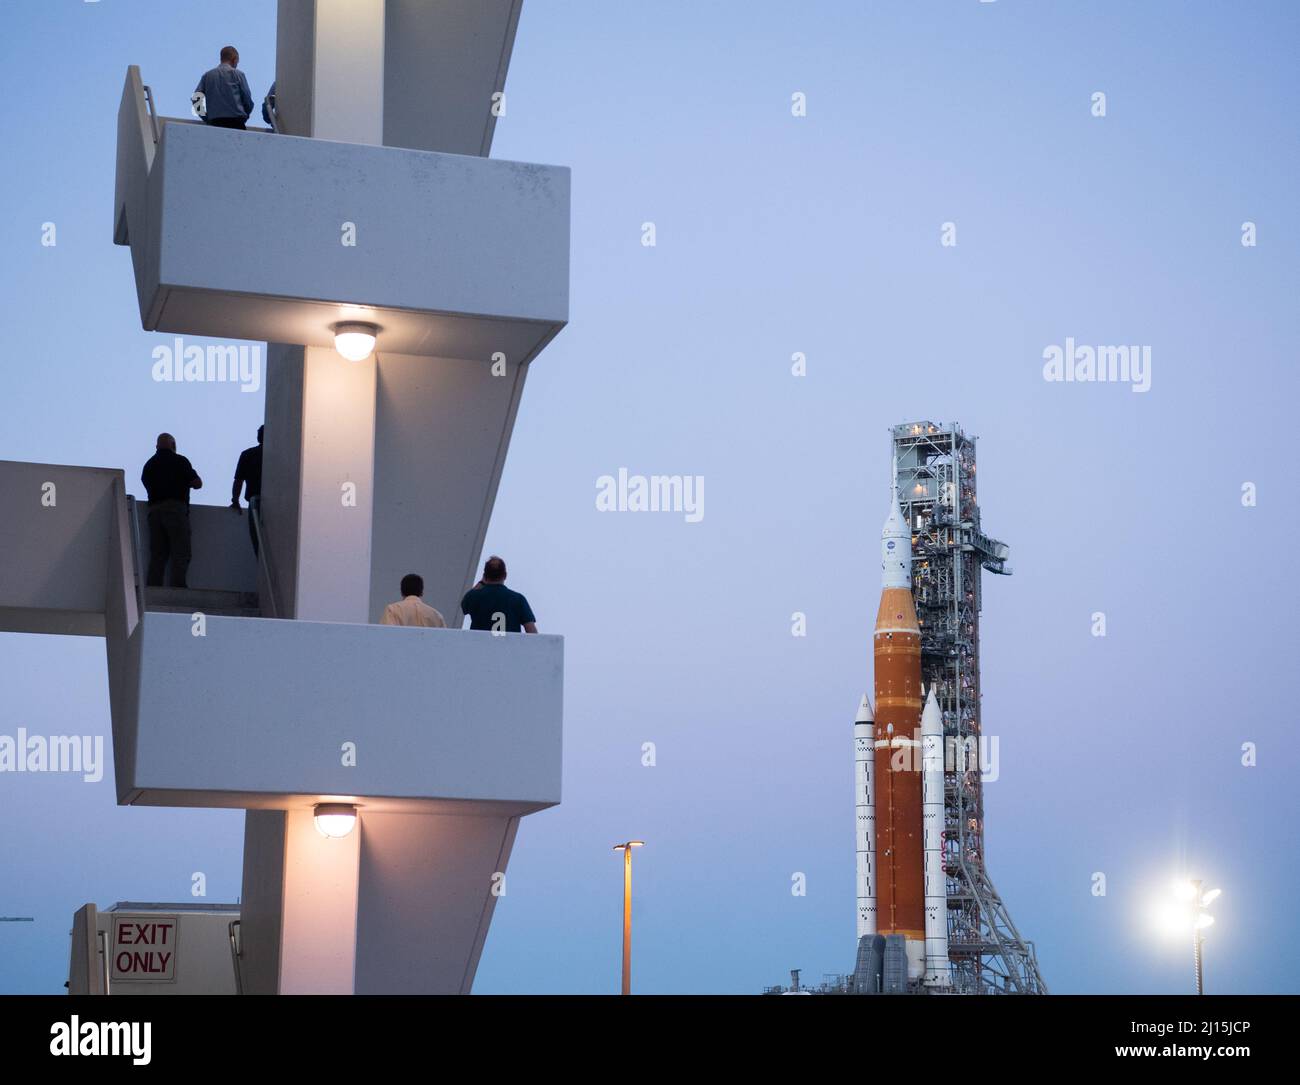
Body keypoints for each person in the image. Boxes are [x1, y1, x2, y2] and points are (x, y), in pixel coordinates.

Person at [141, 433, 202, 588]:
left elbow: (146, 482)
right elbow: (197, 483)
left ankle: (153, 588)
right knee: (181, 551)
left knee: (158, 554)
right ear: (173, 445)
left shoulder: (149, 465)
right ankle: (178, 587)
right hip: (175, 509)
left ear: (156, 446)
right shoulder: (180, 461)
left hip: (154, 511)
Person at [460, 556, 537, 633]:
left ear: (485, 576)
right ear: (505, 575)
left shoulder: (473, 596)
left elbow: (464, 606)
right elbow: (531, 631)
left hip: (480, 644)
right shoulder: (518, 599)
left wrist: (481, 582)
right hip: (508, 644)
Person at [194, 46, 254, 130]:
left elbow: (196, 99)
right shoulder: (238, 74)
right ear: (235, 59)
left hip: (214, 123)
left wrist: (206, 118)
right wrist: (245, 115)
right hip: (236, 123)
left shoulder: (207, 76)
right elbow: (247, 100)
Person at [231, 425, 263, 556]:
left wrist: (235, 500)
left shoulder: (248, 454)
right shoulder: (279, 454)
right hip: (278, 503)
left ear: (258, 438)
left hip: (255, 501)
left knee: (257, 542)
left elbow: (239, 480)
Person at [380, 574, 446, 628]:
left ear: (401, 592)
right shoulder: (437, 616)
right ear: (422, 592)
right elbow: (444, 640)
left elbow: (386, 636)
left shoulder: (392, 610)